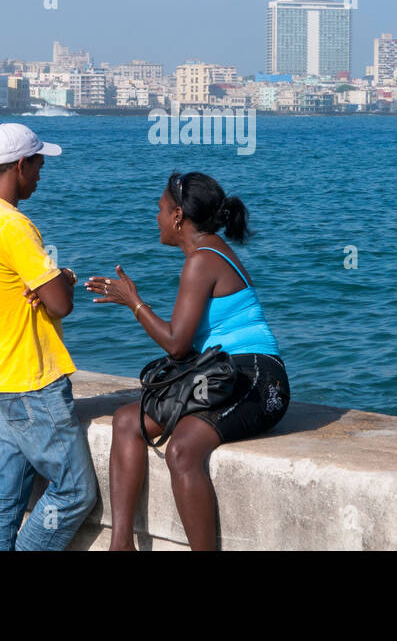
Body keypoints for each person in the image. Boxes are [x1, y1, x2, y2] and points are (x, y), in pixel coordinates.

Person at [86, 171, 290, 551]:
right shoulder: (206, 253)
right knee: (127, 419)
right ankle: (121, 545)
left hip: (261, 381)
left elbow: (177, 346)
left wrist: (134, 302)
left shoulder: (202, 260)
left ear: (179, 216)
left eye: (161, 209)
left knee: (181, 450)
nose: (157, 217)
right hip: (224, 374)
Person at [0, 122, 98, 551]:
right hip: (33, 382)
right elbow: (60, 303)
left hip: (0, 379)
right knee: (75, 491)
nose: (41, 173)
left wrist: (55, 281)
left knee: (5, 497)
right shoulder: (14, 226)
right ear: (20, 165)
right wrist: (65, 278)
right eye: (39, 164)